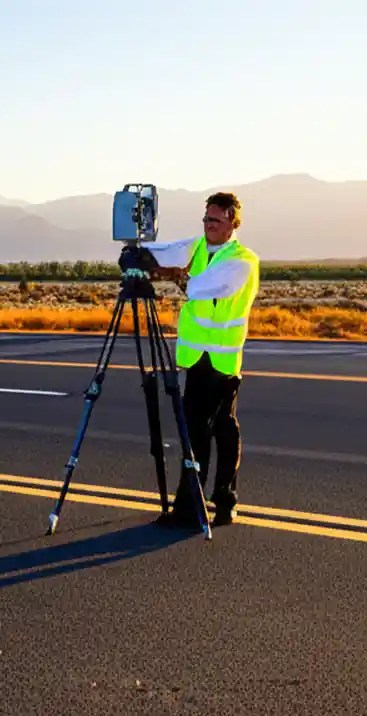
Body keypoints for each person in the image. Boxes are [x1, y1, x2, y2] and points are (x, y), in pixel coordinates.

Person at [143, 191, 259, 527]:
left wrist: (171, 275)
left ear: (232, 223)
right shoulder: (197, 248)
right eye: (206, 219)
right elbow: (171, 250)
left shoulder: (243, 259)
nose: (208, 225)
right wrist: (141, 254)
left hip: (221, 360)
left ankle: (208, 503)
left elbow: (207, 287)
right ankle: (208, 502)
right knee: (208, 428)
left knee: (213, 429)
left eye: (216, 220)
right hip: (196, 358)